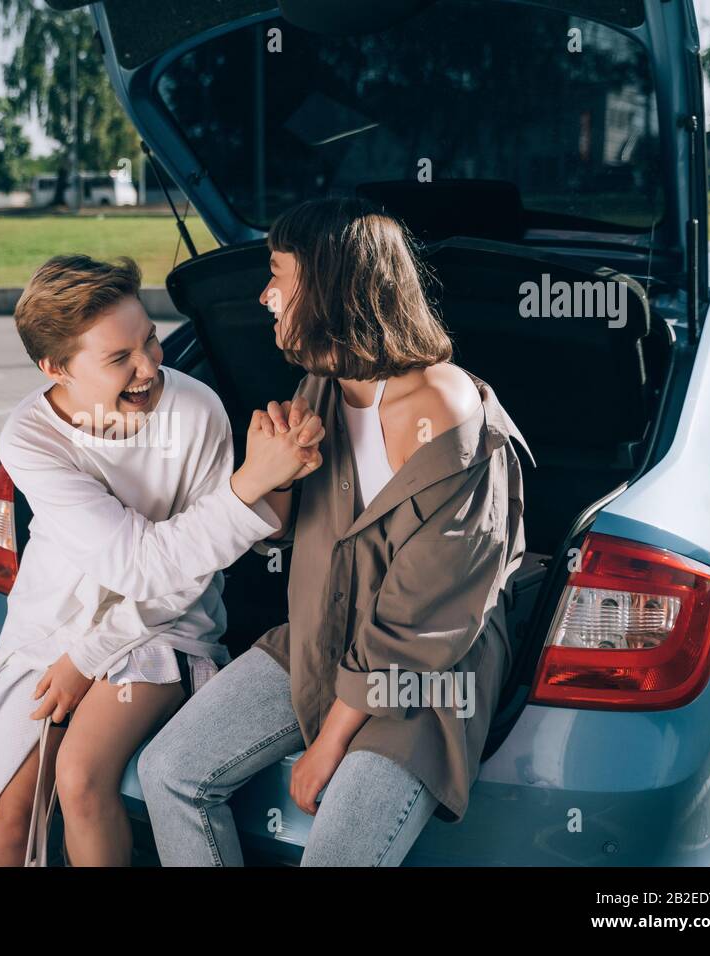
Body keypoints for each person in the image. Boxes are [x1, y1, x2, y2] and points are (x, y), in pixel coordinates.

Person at [138, 197, 534, 866]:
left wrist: (327, 746)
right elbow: (284, 538)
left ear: (331, 285)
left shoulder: (448, 415)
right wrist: (274, 477)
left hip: (421, 678)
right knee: (168, 771)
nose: (265, 295)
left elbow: (424, 623)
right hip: (318, 635)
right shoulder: (318, 389)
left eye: (278, 274)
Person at [0, 253, 325, 865]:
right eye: (119, 358)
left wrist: (88, 660)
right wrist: (252, 481)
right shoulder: (30, 435)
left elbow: (182, 577)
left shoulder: (195, 410)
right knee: (10, 814)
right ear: (55, 368)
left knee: (79, 776)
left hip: (163, 627)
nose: (151, 367)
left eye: (150, 339)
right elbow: (139, 563)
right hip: (54, 630)